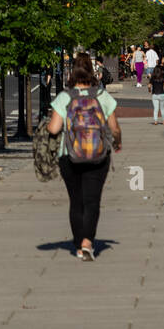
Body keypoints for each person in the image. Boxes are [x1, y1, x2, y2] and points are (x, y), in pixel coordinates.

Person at [47, 52, 121, 260]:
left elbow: (53, 129)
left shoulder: (65, 97)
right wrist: (118, 142)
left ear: (72, 71)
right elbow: (114, 128)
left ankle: (79, 244)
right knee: (92, 200)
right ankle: (88, 241)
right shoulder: (101, 96)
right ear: (92, 71)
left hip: (69, 155)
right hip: (98, 155)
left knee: (76, 200)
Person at [149, 54, 164, 124]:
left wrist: (149, 90)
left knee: (156, 109)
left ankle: (155, 120)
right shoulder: (163, 78)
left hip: (154, 94)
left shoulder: (153, 78)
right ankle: (163, 120)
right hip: (162, 94)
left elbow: (149, 86)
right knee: (162, 108)